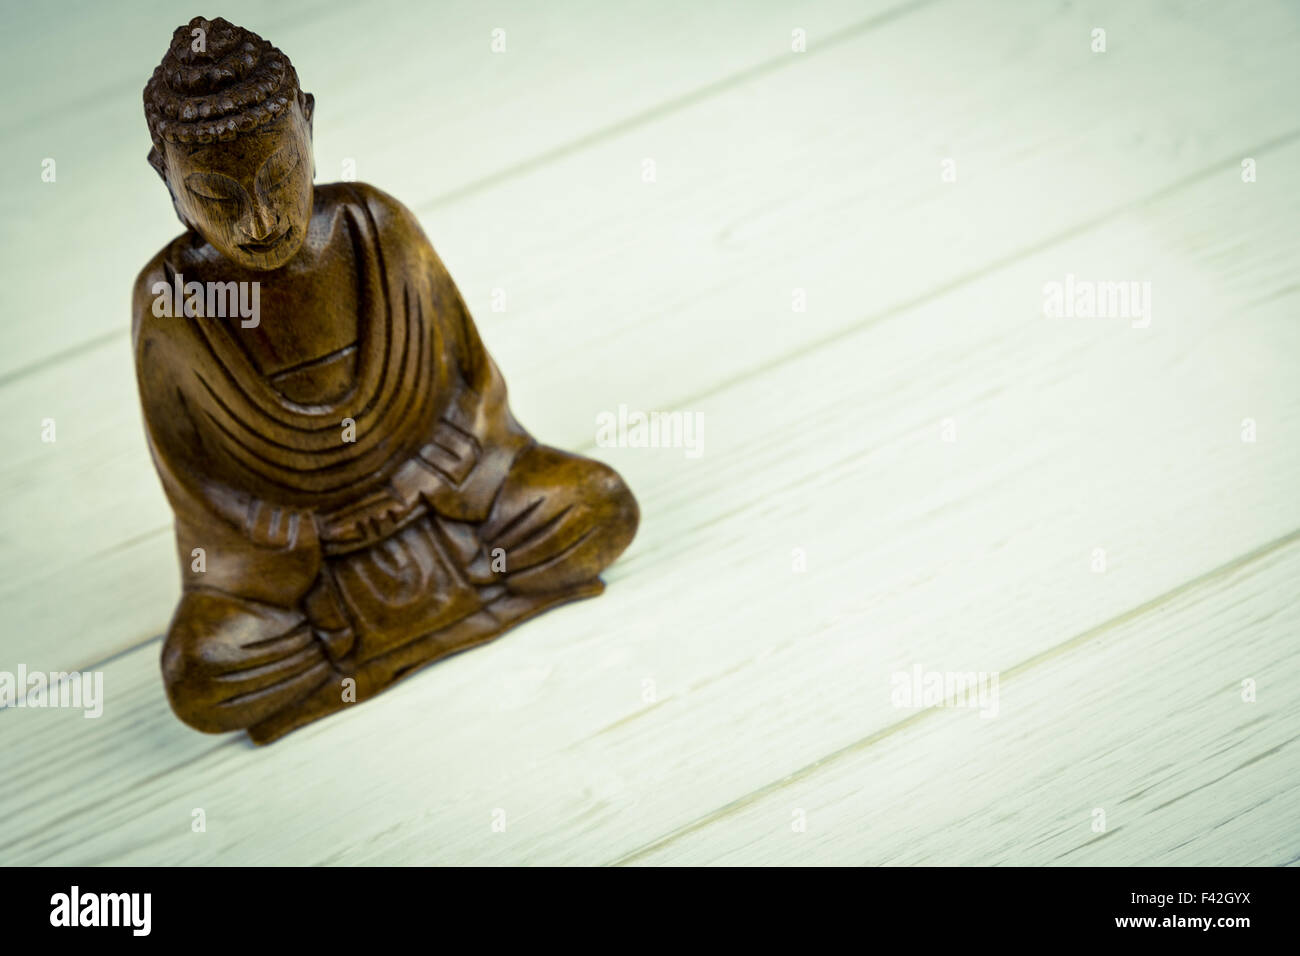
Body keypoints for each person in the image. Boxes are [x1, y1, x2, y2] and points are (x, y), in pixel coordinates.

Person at [134, 17, 638, 743]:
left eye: (279, 176)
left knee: (598, 506)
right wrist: (293, 531)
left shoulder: (375, 226)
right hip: (295, 562)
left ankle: (369, 631)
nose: (262, 219)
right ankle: (428, 599)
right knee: (204, 674)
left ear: (306, 124)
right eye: (220, 197)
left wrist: (433, 474)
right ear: (166, 175)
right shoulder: (172, 299)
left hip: (448, 500)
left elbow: (469, 383)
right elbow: (194, 480)